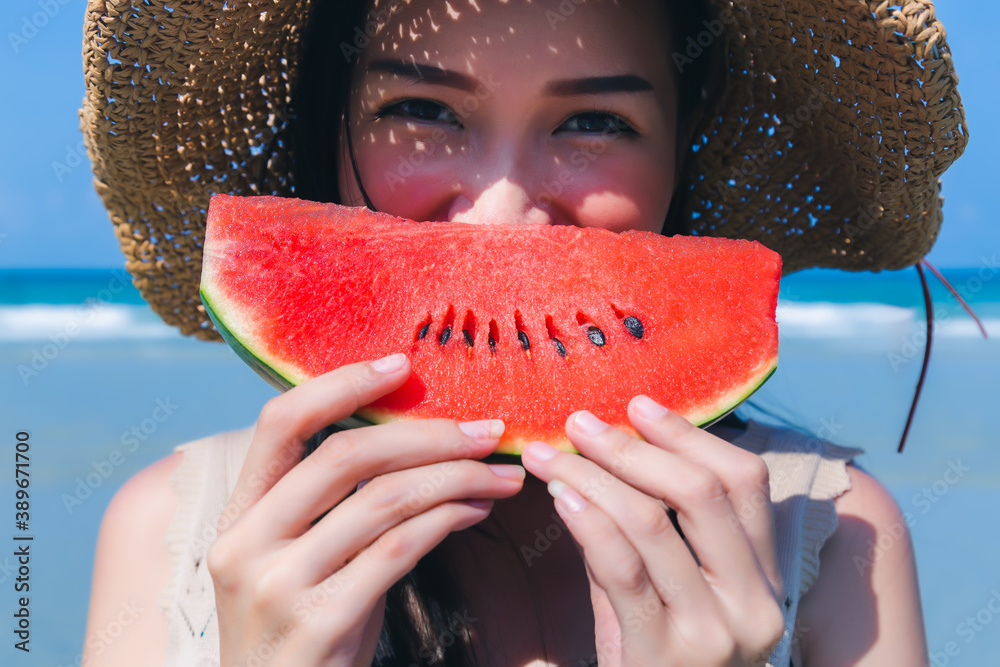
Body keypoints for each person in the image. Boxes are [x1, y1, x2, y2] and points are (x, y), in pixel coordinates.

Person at [78, 0, 967, 665]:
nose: (501, 215)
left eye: (594, 123)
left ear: (680, 149)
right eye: (421, 110)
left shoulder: (836, 536)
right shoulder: (171, 535)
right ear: (328, 126)